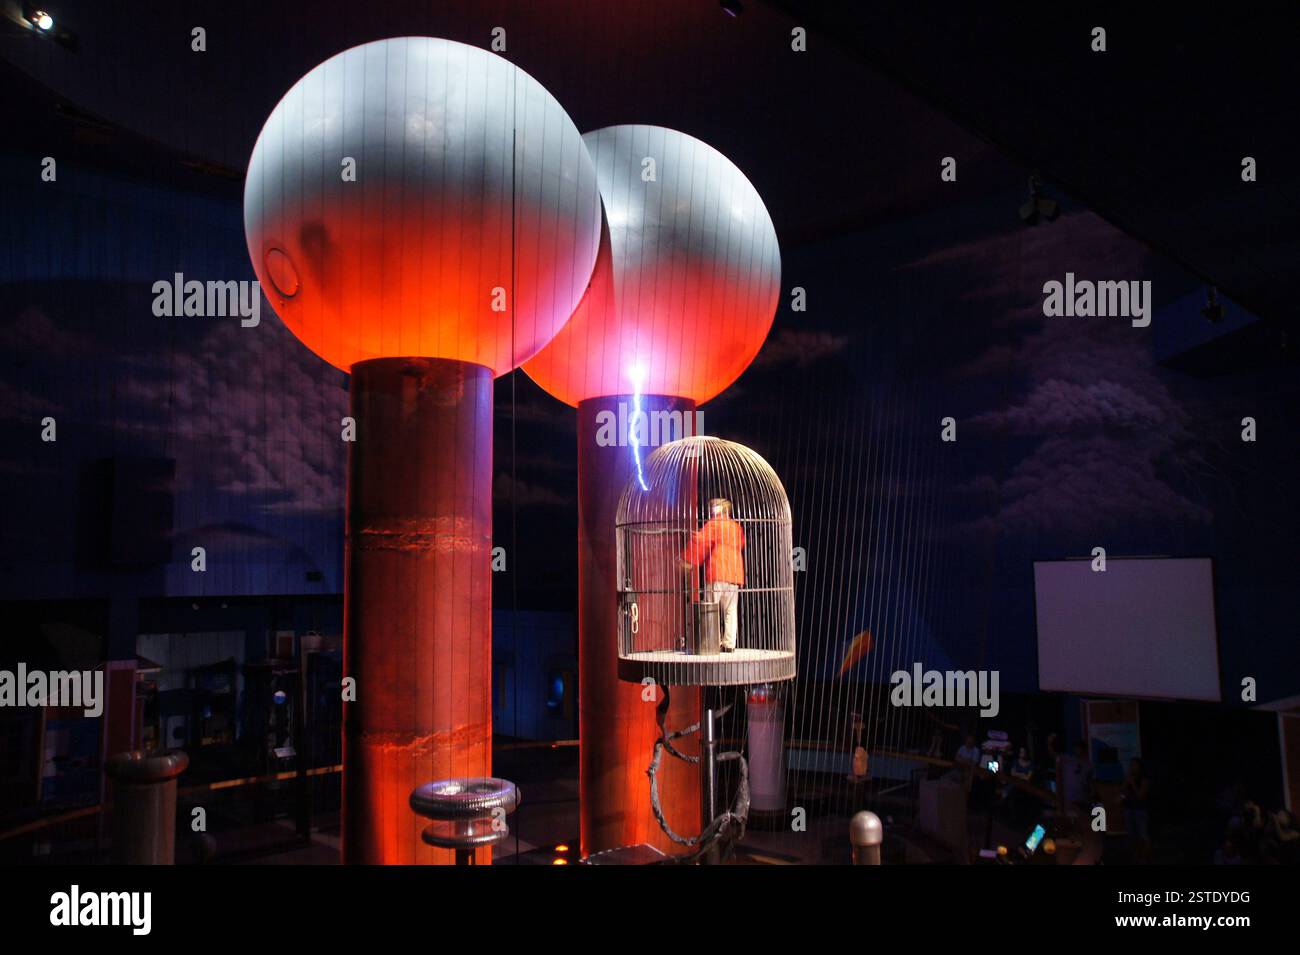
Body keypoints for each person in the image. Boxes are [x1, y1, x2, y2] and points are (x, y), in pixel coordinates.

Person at [681, 498, 745, 652]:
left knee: (712, 609)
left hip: (717, 571)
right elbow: (742, 543)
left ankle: (712, 643)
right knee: (731, 610)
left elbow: (701, 543)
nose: (711, 511)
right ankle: (729, 644)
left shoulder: (715, 524)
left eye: (713, 508)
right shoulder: (736, 527)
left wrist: (687, 560)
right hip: (735, 574)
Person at [1121, 757, 1151, 864]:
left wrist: (1133, 783)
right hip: (1129, 809)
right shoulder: (1129, 777)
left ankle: (1144, 858)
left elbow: (1140, 796)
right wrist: (1127, 781)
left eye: (1134, 764)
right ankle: (1136, 857)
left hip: (1140, 811)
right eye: (1131, 764)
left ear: (1139, 766)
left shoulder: (1144, 779)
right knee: (1132, 835)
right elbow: (1123, 791)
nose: (1132, 767)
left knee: (1143, 835)